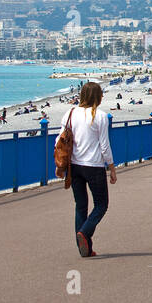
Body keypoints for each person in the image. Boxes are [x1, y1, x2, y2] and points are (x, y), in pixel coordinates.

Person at [61, 82, 117, 257]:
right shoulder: (99, 116)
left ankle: (84, 248)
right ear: (97, 97)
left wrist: (60, 165)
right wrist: (112, 167)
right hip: (93, 166)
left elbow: (60, 140)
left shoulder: (70, 114)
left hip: (75, 166)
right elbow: (104, 146)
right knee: (101, 205)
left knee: (81, 206)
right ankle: (84, 233)